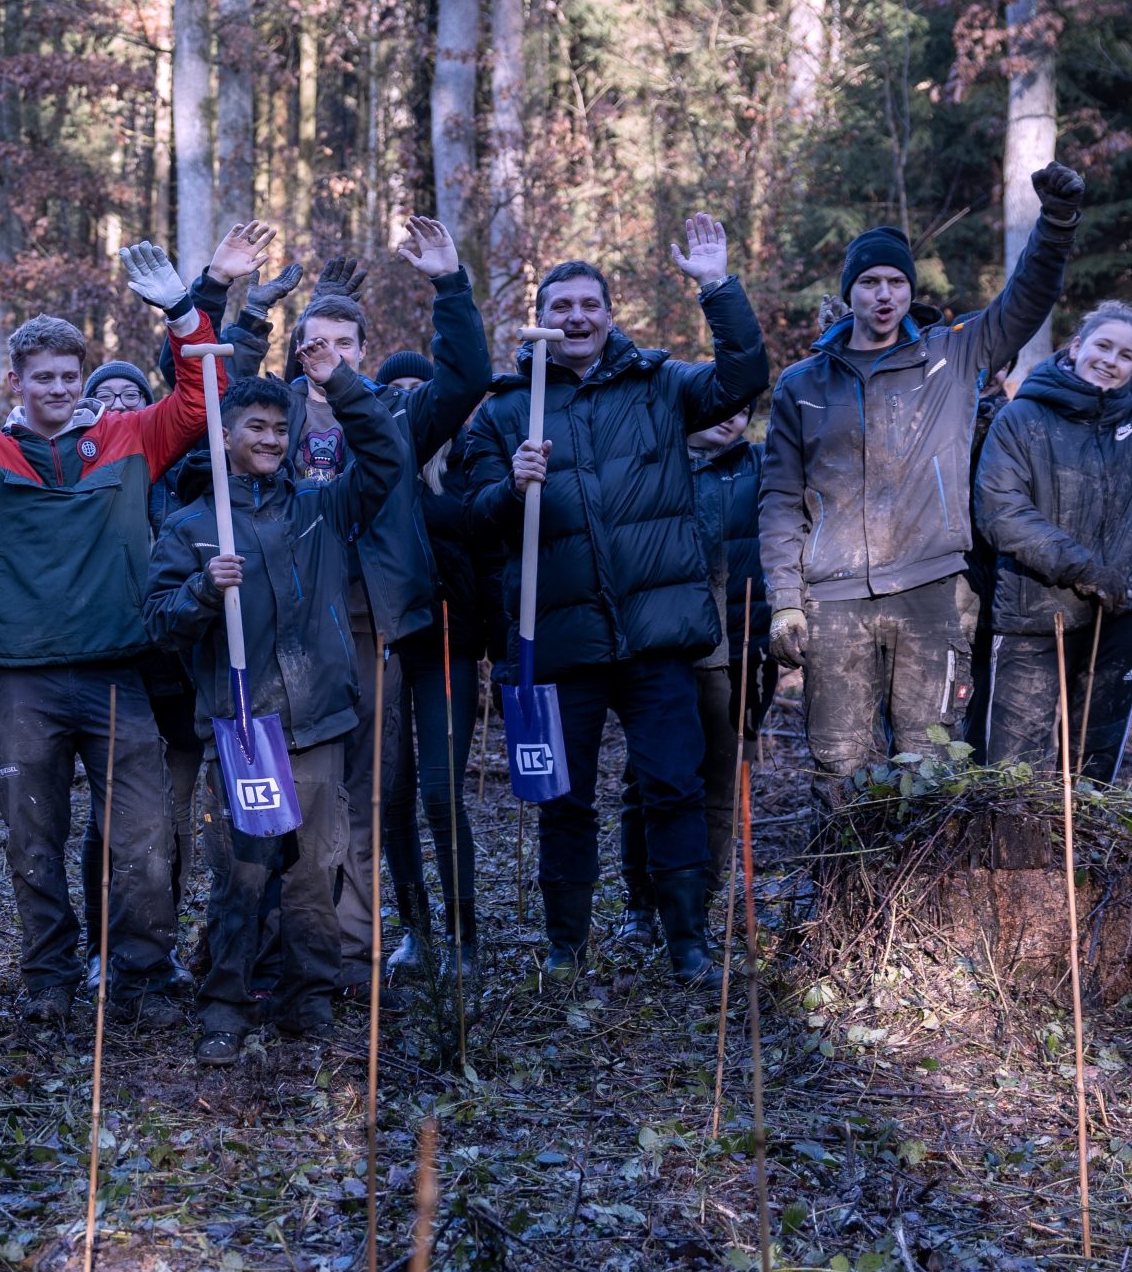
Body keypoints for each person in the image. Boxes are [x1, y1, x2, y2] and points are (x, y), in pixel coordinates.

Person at [0, 225, 266, 1026]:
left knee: (141, 839)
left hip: (117, 672)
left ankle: (143, 976)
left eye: (70, 374)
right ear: (15, 379)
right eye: (43, 376)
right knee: (33, 843)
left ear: (84, 378)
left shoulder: (127, 438)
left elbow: (203, 397)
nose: (58, 387)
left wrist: (179, 308)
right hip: (21, 679)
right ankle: (49, 979)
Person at [458, 214, 768, 984]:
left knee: (672, 786)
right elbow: (471, 513)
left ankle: (686, 939)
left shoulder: (660, 385)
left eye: (588, 304)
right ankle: (567, 944)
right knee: (564, 799)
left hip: (654, 633)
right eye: (560, 307)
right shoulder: (507, 410)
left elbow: (742, 379)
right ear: (540, 319)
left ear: (609, 311)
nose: (576, 318)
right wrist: (512, 487)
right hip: (560, 641)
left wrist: (716, 287)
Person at [760, 163, 1087, 801]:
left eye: (896, 283)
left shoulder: (953, 353)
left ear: (910, 292)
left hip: (934, 590)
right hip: (833, 600)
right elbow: (778, 501)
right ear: (849, 293)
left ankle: (922, 900)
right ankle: (845, 898)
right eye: (871, 283)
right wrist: (785, 601)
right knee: (838, 762)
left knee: (931, 759)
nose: (885, 295)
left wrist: (1055, 224)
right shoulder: (803, 384)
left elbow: (1026, 301)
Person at [224, 223, 490, 983]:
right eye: (317, 339)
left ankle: (351, 947)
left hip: (369, 622)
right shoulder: (272, 416)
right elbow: (214, 401)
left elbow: (468, 378)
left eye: (345, 340)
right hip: (281, 625)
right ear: (296, 343)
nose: (330, 352)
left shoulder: (396, 417)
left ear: (363, 348)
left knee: (367, 788)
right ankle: (279, 943)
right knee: (285, 787)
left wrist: (450, 284)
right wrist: (250, 313)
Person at [149, 340, 411, 1063]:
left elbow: (387, 461)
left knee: (315, 871)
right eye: (254, 428)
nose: (268, 439)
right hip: (242, 725)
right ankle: (226, 1004)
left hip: (319, 719)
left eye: (278, 428)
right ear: (225, 434)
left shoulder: (323, 508)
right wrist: (206, 588)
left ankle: (309, 1001)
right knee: (242, 869)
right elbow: (158, 622)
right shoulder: (193, 526)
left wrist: (344, 385)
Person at [975, 302, 1132, 779]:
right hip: (1036, 614)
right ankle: (1004, 854)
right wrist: (1083, 568)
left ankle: (1080, 852)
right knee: (1010, 770)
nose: (1111, 360)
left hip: (1121, 617)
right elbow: (1002, 512)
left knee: (1093, 767)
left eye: (1126, 355)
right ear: (1076, 346)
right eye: (1103, 346)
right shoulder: (1022, 418)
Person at [618, 395, 774, 942]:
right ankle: (639, 904)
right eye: (721, 405)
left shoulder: (760, 464)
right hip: (666, 646)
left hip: (742, 648)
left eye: (744, 408)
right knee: (649, 778)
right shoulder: (653, 464)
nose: (733, 417)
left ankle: (697, 905)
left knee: (722, 779)